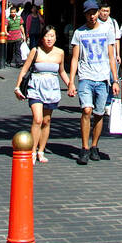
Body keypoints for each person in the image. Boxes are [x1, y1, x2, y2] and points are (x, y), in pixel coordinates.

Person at [68, 0, 120, 165]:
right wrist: (71, 81)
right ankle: (84, 148)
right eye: (89, 13)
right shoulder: (79, 33)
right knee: (87, 111)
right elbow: (75, 58)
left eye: (94, 12)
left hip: (103, 77)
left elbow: (111, 57)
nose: (92, 16)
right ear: (85, 14)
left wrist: (115, 80)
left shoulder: (107, 31)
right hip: (86, 77)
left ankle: (94, 146)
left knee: (99, 113)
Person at [14, 26, 71, 163]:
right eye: (47, 36)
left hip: (51, 88)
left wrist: (70, 85)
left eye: (52, 36)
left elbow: (62, 71)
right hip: (36, 87)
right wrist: (17, 87)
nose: (49, 39)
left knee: (46, 121)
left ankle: (41, 150)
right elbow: (24, 70)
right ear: (42, 37)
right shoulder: (35, 51)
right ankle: (32, 151)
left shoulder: (60, 53)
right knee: (38, 119)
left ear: (56, 38)